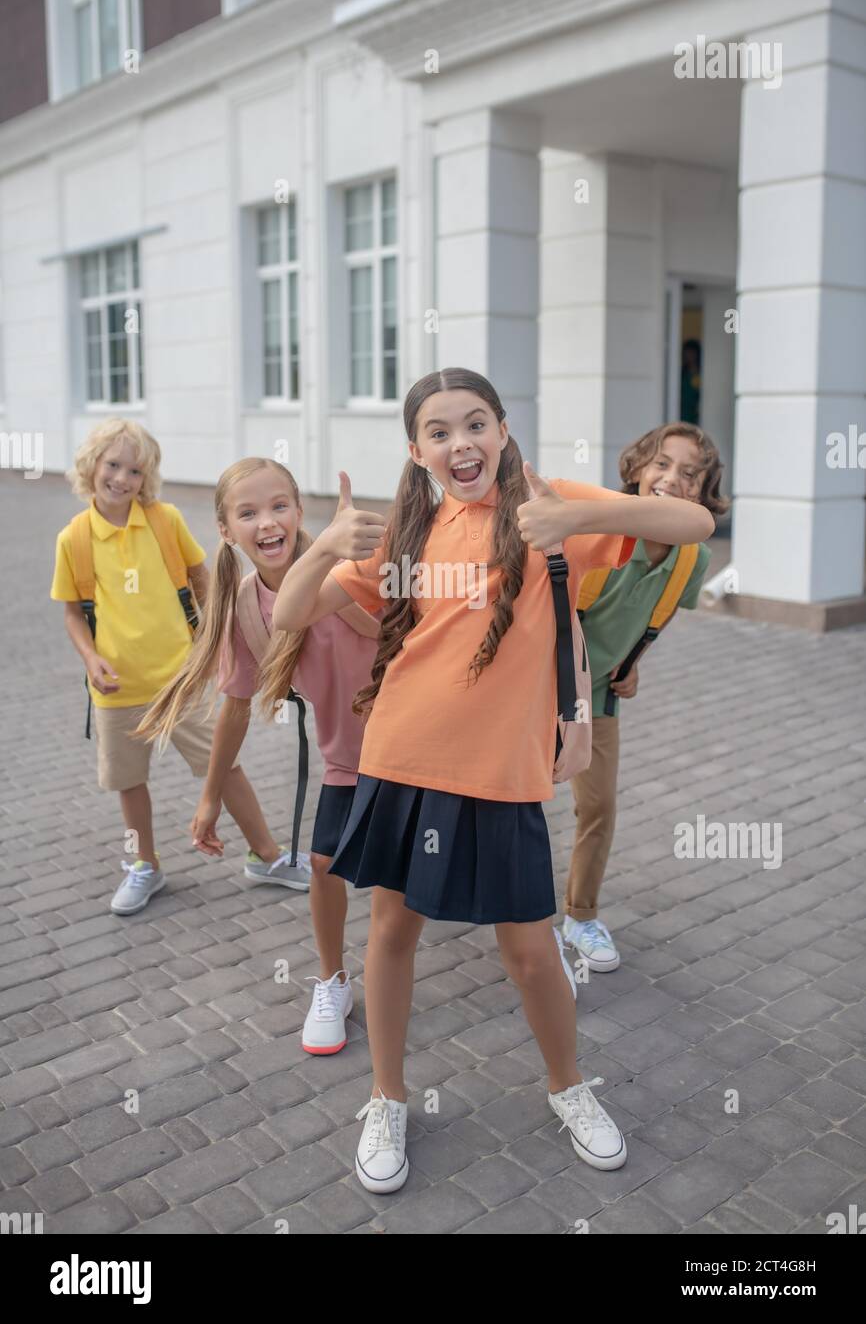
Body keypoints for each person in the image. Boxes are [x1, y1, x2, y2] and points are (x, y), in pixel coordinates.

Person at [272, 367, 714, 1193]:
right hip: (400, 761)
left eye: (475, 423)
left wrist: (578, 514)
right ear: (417, 451)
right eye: (439, 431)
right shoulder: (405, 536)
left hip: (505, 774)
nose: (460, 442)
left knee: (532, 951)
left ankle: (568, 1085)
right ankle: (388, 1098)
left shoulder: (551, 509)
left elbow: (691, 521)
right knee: (392, 934)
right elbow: (291, 612)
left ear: (503, 431)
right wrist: (329, 545)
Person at [137, 457, 380, 1055]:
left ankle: (535, 940)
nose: (267, 522)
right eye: (248, 513)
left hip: (422, 746)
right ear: (225, 529)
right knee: (325, 866)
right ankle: (332, 982)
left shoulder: (353, 564)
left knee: (426, 874)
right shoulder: (246, 608)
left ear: (300, 511)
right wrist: (209, 797)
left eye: (279, 506)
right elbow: (237, 707)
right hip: (347, 758)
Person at [50, 420, 264, 915]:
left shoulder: (164, 520)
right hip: (118, 689)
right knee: (129, 783)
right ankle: (144, 865)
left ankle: (267, 856)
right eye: (113, 465)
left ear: (146, 478)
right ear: (92, 466)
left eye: (135, 470)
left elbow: (200, 575)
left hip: (181, 677)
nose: (123, 478)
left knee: (224, 765)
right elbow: (71, 613)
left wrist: (217, 633)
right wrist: (91, 658)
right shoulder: (74, 539)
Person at [562, 422, 729, 974]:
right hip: (539, 686)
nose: (672, 479)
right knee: (510, 798)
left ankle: (579, 915)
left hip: (600, 698)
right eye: (661, 464)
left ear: (704, 494)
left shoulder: (692, 559)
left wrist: (632, 667)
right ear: (635, 469)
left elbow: (652, 621)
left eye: (689, 474)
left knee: (599, 806)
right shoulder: (598, 532)